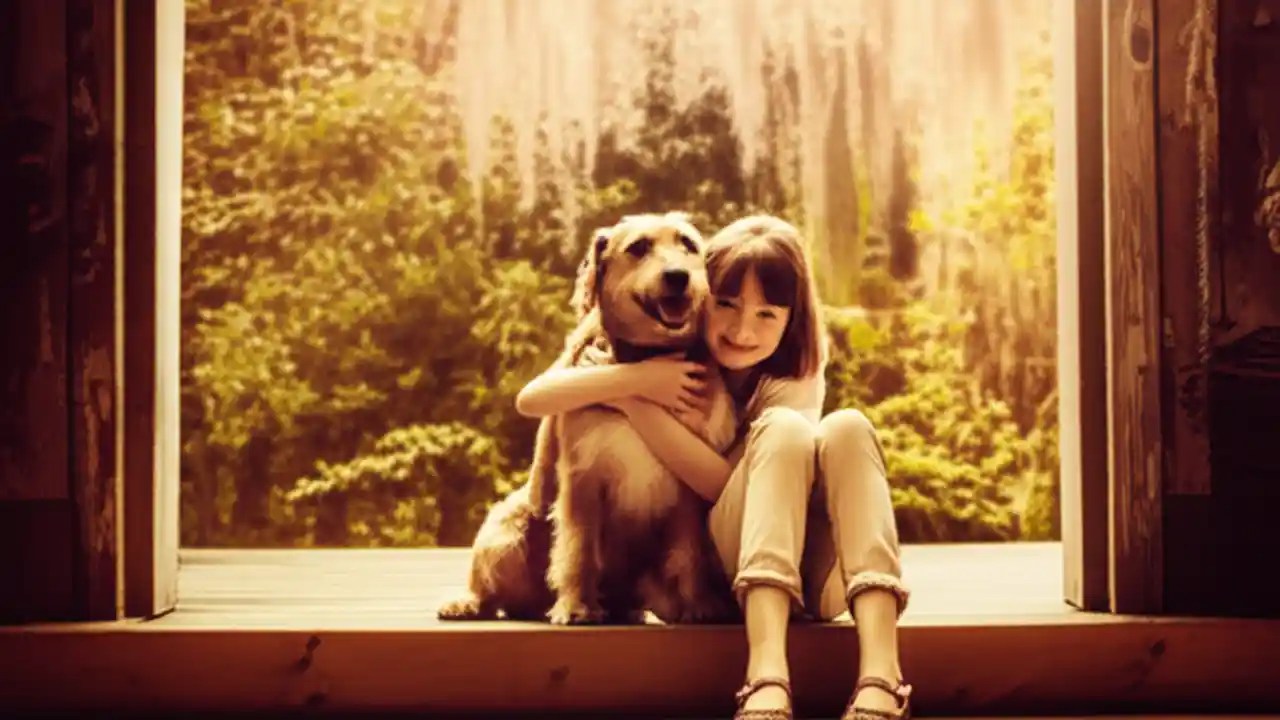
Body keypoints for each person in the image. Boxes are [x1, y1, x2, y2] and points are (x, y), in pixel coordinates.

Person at [516, 215, 912, 720]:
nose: (743, 329)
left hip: (823, 575)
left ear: (792, 320)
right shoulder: (662, 332)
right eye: (726, 304)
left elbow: (721, 484)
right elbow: (534, 397)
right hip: (740, 562)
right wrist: (639, 377)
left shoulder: (797, 373)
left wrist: (635, 399)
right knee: (786, 433)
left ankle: (883, 674)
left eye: (767, 315)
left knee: (846, 426)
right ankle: (767, 674)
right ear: (703, 290)